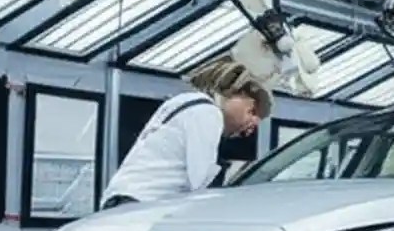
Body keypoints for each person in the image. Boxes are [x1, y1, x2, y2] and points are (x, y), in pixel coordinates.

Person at [100, 58, 271, 210]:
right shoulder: (207, 113)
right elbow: (200, 185)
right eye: (252, 111)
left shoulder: (183, 103)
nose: (253, 123)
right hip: (140, 206)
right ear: (236, 93)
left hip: (121, 201)